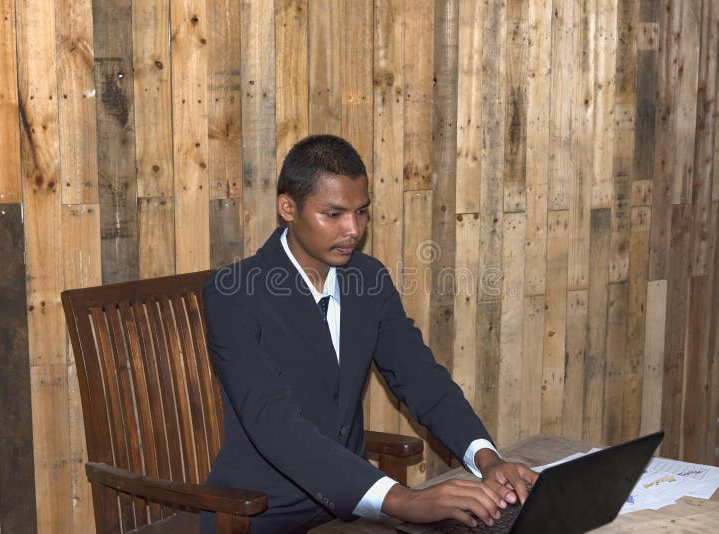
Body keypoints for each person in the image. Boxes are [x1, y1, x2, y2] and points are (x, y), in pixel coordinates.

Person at [201, 135, 538, 533]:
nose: (353, 230)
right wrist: (403, 500)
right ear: (287, 207)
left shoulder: (369, 279)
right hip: (257, 514)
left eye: (361, 213)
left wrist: (487, 459)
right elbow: (273, 423)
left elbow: (421, 379)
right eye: (334, 214)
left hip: (350, 512)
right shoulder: (234, 292)